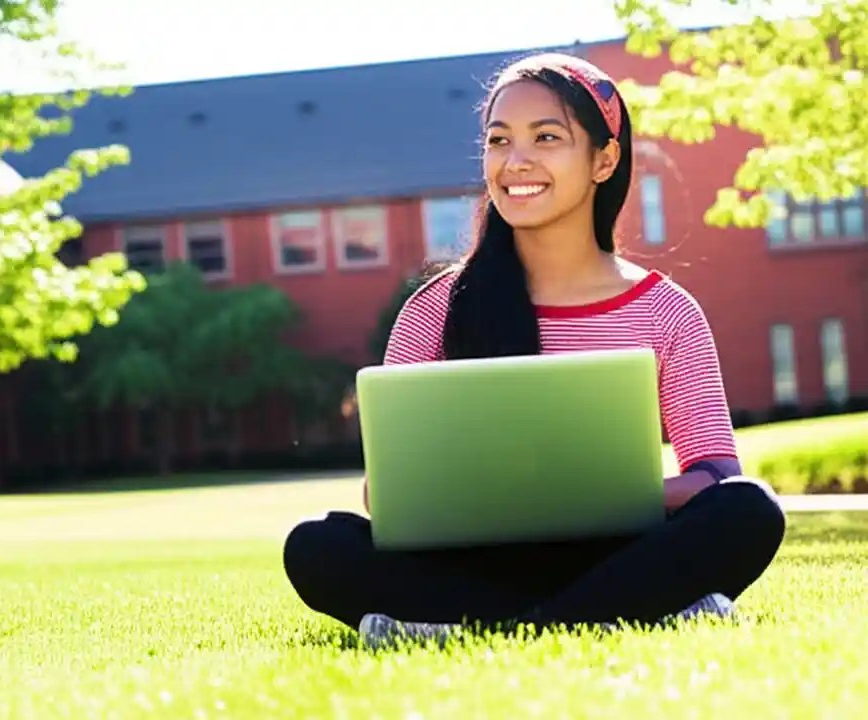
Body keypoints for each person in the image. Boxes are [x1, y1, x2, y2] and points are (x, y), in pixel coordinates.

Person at [281, 53, 787, 649]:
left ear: (604, 160)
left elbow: (715, 475)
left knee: (749, 510)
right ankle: (626, 613)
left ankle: (460, 626)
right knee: (317, 545)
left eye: (546, 137)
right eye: (499, 140)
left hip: (614, 550)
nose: (515, 161)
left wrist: (593, 500)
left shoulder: (664, 311)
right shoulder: (434, 309)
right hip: (477, 557)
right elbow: (385, 494)